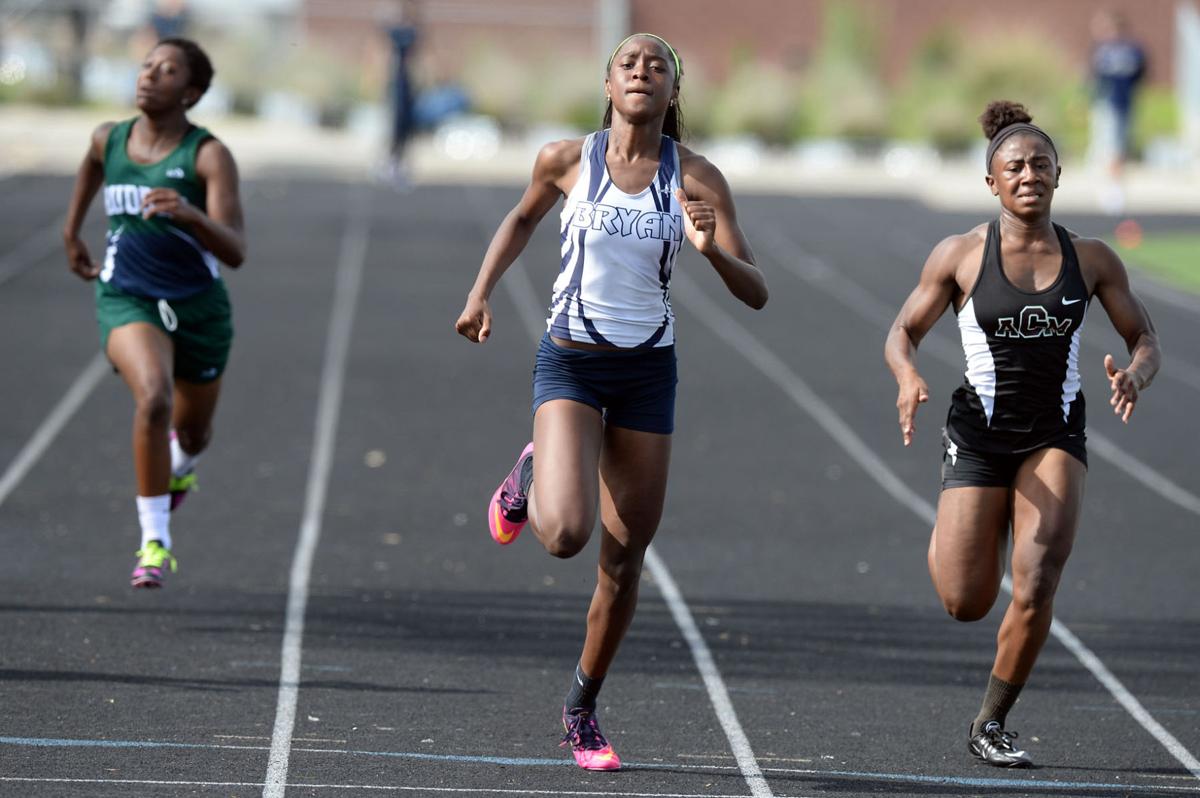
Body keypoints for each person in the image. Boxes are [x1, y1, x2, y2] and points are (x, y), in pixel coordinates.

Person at [455, 33, 767, 771]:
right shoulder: (567, 159)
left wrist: (713, 249)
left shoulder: (695, 177)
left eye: (657, 66)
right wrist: (480, 292)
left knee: (623, 563)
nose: (641, 72)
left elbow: (757, 291)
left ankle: (581, 708)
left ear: (673, 91)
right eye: (629, 62)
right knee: (564, 533)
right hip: (569, 364)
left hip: (646, 376)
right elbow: (523, 218)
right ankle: (534, 470)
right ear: (607, 80)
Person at [884, 100, 1160, 768]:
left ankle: (992, 722)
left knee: (1036, 581)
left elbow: (1144, 337)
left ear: (1059, 176)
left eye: (1041, 163)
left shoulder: (1090, 259)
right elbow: (902, 332)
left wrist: (1134, 376)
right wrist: (906, 376)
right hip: (979, 437)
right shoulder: (960, 255)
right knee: (965, 601)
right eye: (1015, 165)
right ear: (992, 183)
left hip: (1054, 436)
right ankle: (965, 523)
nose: (1029, 173)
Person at [61, 38, 245, 589]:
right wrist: (71, 232)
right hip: (128, 297)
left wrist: (190, 214)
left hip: (199, 309)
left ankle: (180, 471)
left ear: (189, 92)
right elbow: (91, 170)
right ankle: (155, 541)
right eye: (146, 66)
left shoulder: (207, 155)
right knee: (155, 398)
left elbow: (236, 249)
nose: (148, 77)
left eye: (166, 72)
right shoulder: (108, 138)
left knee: (193, 433)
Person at [1088, 9, 1146, 215]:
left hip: (1121, 104)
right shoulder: (1100, 50)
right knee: (1107, 147)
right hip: (1105, 105)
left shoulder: (1130, 50)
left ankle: (1114, 190)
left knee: (1116, 147)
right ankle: (1110, 188)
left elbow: (1140, 75)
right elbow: (1093, 78)